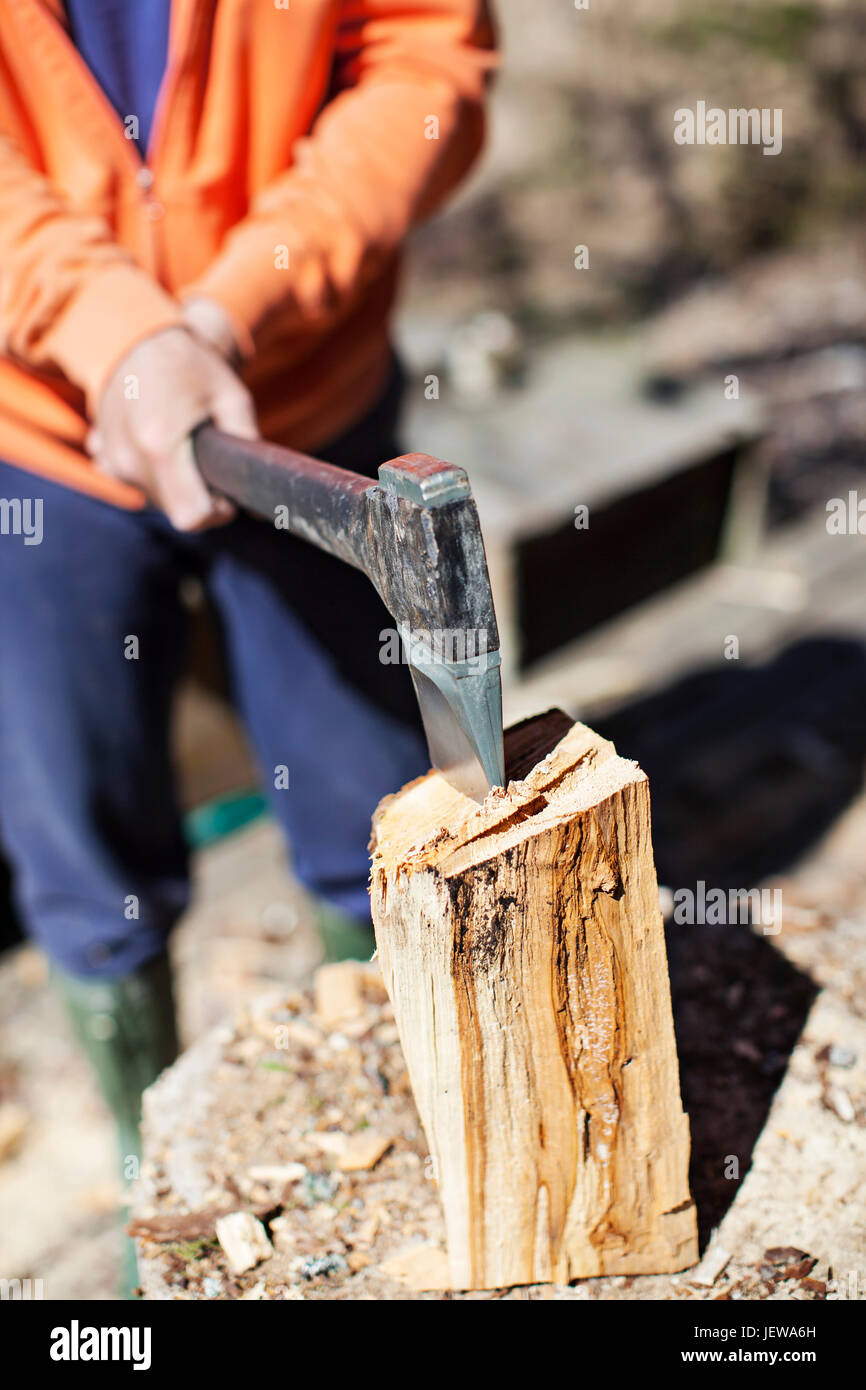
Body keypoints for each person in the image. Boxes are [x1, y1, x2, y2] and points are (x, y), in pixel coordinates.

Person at [0, 0, 496, 1202]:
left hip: (302, 395)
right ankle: (154, 1181)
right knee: (80, 842)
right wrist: (111, 333)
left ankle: (410, 1128)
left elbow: (425, 62)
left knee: (376, 811)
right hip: (40, 434)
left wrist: (227, 312)